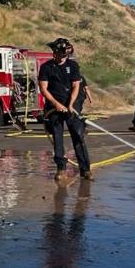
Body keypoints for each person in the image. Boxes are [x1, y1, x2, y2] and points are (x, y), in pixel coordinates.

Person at [38, 37, 92, 182]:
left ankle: (85, 169)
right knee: (57, 137)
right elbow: (43, 89)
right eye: (60, 54)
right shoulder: (46, 67)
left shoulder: (73, 66)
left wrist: (71, 104)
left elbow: (76, 86)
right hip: (53, 108)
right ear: (54, 53)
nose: (62, 57)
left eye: (65, 54)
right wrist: (56, 104)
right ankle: (61, 168)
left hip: (71, 107)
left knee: (78, 136)